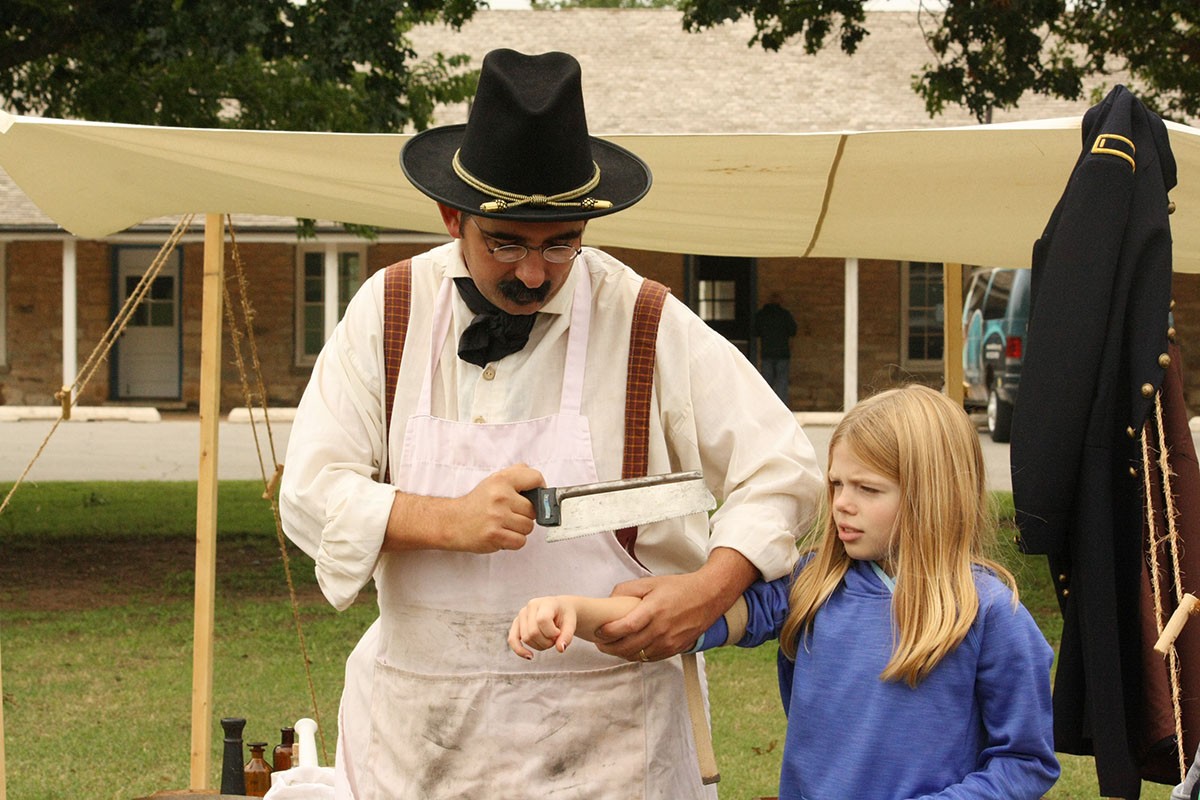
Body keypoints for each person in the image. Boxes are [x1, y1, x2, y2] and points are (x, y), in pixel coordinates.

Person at [279, 48, 823, 799]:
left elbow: (783, 468)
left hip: (609, 744)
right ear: (452, 217)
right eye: (505, 243)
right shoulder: (390, 310)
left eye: (561, 244)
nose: (534, 273)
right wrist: (446, 520)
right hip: (422, 738)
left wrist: (708, 589)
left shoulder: (642, 319)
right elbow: (310, 492)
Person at [510, 385, 1060, 800]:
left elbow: (1025, 763)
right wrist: (573, 609)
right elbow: (687, 616)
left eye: (868, 489)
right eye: (836, 483)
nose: (841, 504)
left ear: (932, 495)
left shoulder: (992, 615)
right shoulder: (813, 584)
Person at [753, 293, 797, 404]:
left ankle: (766, 406)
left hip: (767, 353)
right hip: (783, 352)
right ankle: (782, 406)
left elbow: (755, 331)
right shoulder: (785, 314)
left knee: (766, 383)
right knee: (782, 382)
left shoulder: (762, 315)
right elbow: (793, 330)